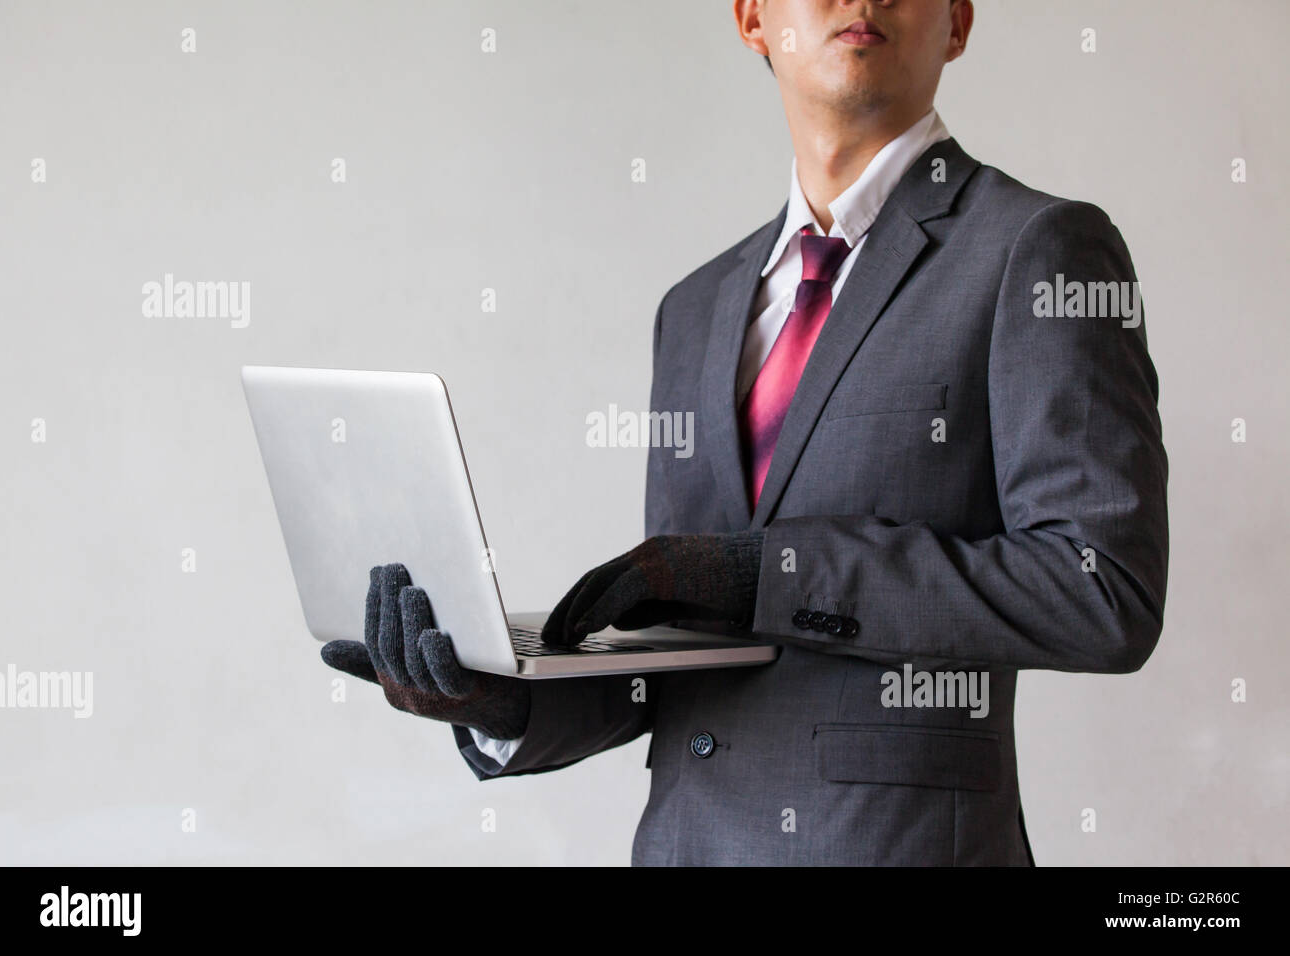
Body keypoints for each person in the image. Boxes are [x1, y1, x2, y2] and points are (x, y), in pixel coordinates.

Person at [321, 0, 1169, 866]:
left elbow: (1102, 594)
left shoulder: (1041, 248)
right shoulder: (692, 311)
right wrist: (501, 700)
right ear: (753, 18)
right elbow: (680, 660)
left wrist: (767, 570)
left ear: (957, 20)